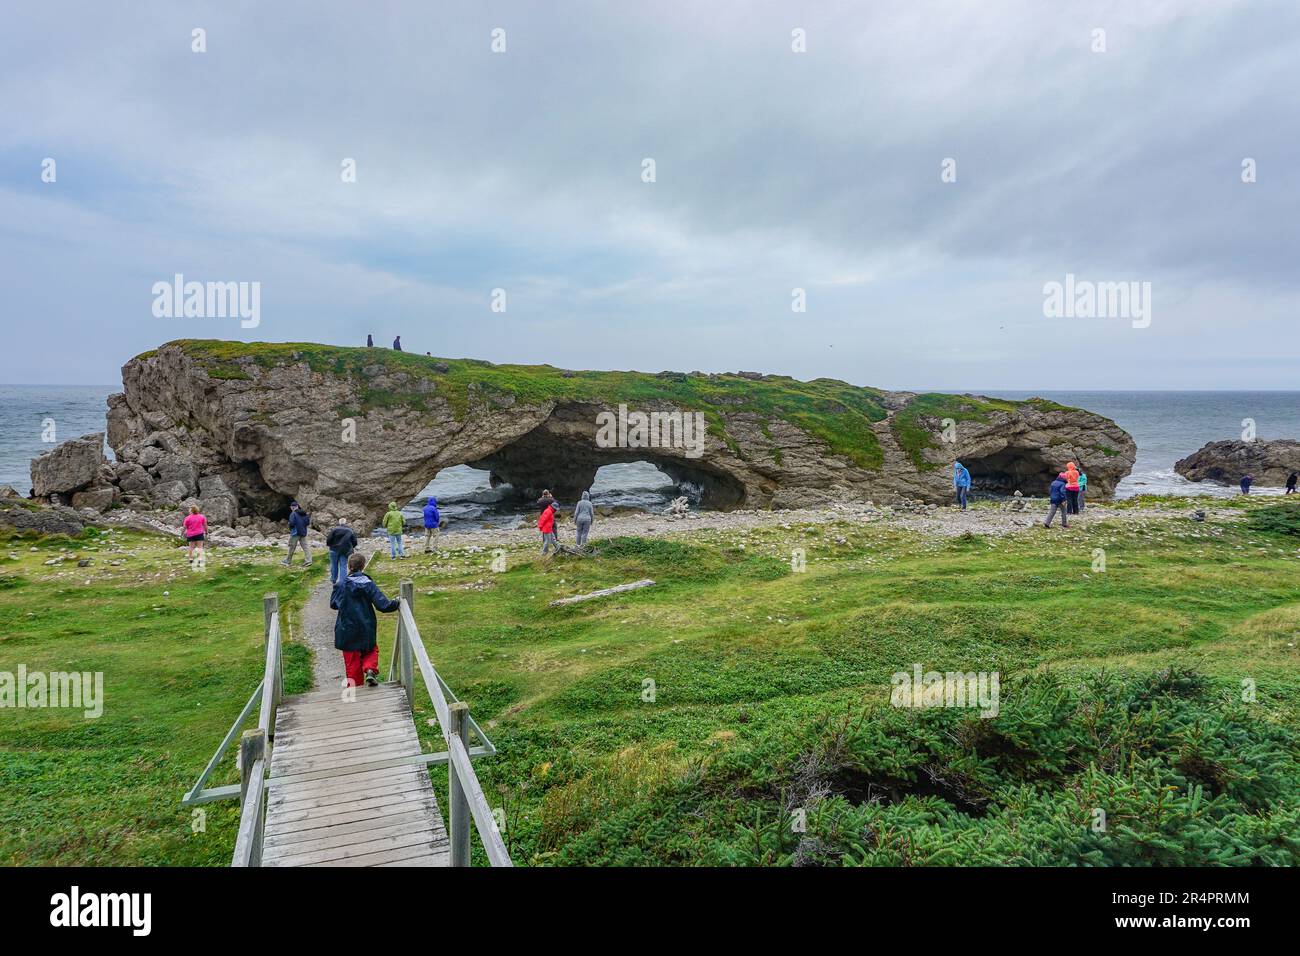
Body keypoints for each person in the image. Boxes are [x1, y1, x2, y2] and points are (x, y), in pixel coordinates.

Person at [330, 552, 399, 689]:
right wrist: (396, 602)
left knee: (352, 661)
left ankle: (355, 689)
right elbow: (383, 605)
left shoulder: (340, 585)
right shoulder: (368, 584)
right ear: (363, 566)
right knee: (371, 650)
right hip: (365, 625)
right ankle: (370, 669)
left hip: (346, 628)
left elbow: (333, 604)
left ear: (349, 566)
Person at [325, 517, 357, 585]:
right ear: (345, 523)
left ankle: (334, 580)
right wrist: (351, 547)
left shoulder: (334, 530)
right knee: (343, 566)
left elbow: (328, 540)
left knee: (334, 565)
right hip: (345, 550)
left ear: (339, 523)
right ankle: (342, 581)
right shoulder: (350, 530)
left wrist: (330, 545)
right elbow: (354, 541)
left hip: (333, 550)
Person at [285, 501, 311, 566]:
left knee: (292, 547)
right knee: (305, 547)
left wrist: (290, 526)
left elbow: (292, 523)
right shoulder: (304, 513)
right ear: (297, 506)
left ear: (291, 507)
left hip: (295, 533)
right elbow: (308, 523)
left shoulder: (293, 514)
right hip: (303, 532)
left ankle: (288, 561)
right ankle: (308, 560)